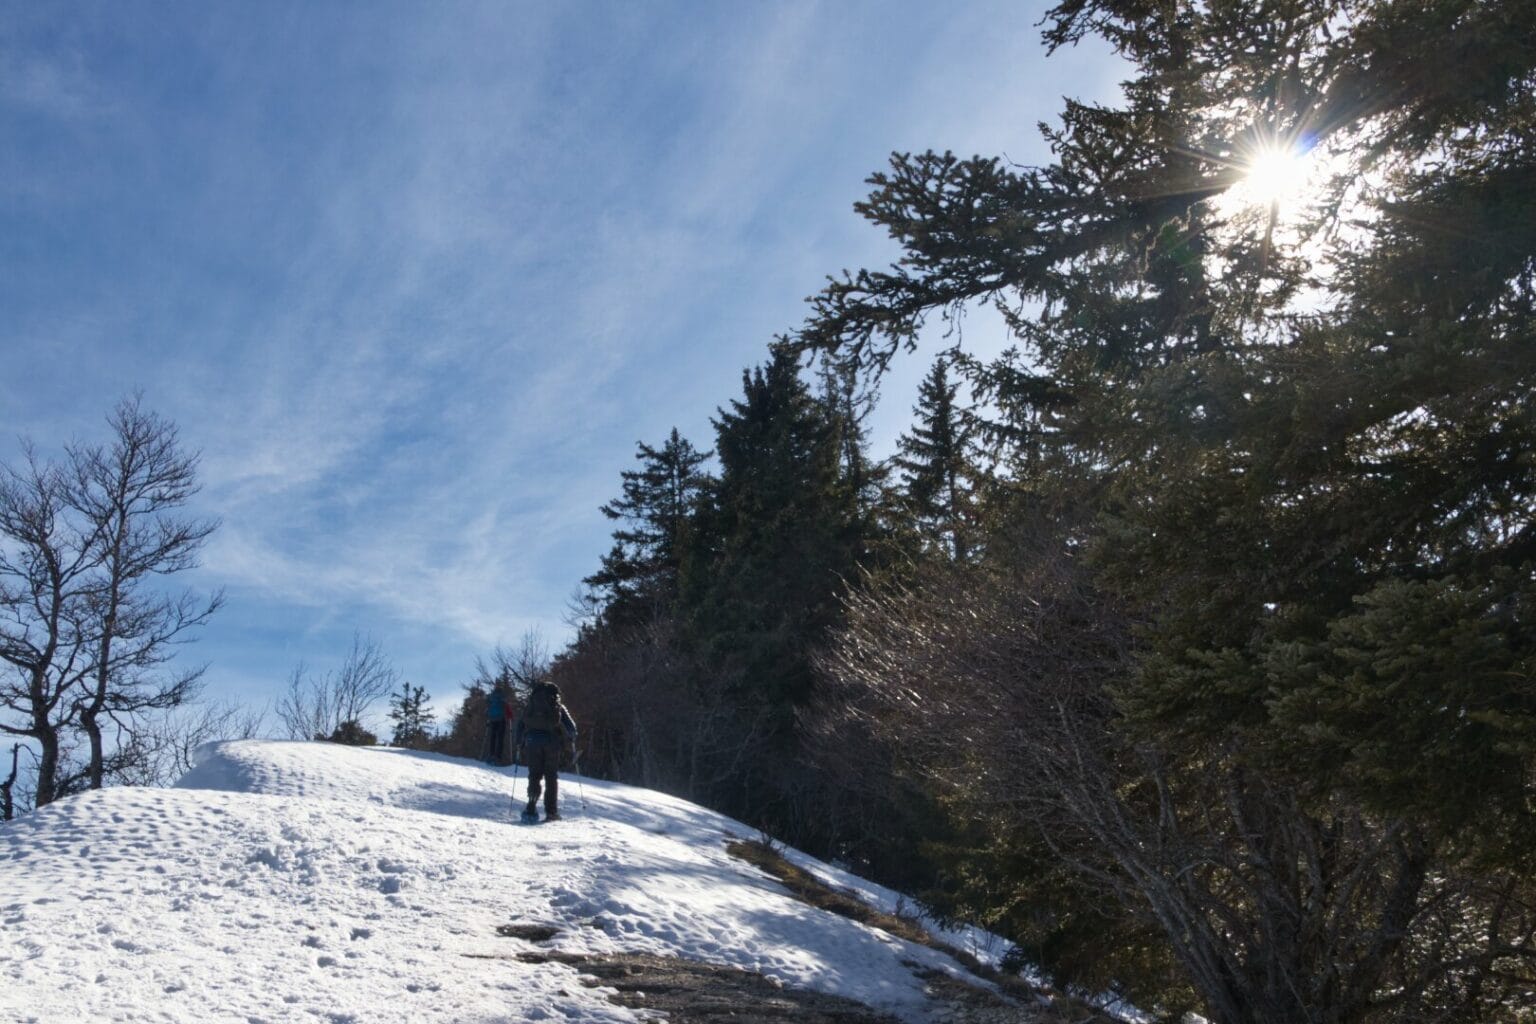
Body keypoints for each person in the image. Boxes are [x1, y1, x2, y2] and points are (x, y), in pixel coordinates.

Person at [514, 681, 577, 821]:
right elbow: (572, 727)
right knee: (551, 777)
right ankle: (551, 812)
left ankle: (530, 809)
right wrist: (571, 739)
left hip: (532, 742)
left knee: (534, 775)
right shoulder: (558, 706)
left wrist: (519, 742)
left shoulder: (531, 705)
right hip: (552, 743)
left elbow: (520, 724)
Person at [484, 683, 510, 765]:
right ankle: (498, 757)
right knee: (500, 738)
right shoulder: (502, 697)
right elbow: (507, 707)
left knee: (493, 737)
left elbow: (487, 706)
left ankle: (491, 755)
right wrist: (510, 716)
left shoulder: (491, 696)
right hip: (501, 719)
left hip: (492, 719)